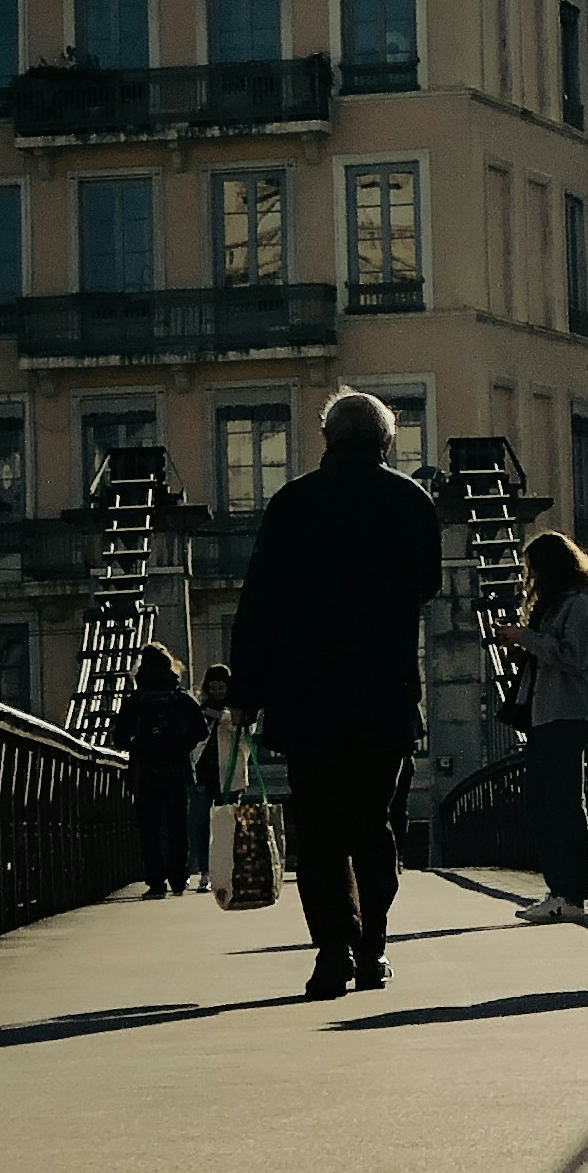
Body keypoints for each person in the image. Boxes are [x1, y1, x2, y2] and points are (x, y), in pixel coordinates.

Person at [226, 386, 444, 1000]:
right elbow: (427, 584)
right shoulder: (410, 500)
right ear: (386, 441)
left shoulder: (292, 502)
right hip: (384, 693)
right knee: (374, 824)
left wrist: (245, 691)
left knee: (319, 829)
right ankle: (372, 947)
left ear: (325, 440)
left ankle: (331, 954)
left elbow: (258, 603)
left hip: (308, 698)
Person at [509, 532, 588, 923]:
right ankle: (558, 890)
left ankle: (571, 894)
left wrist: (527, 638)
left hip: (567, 714)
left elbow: (575, 656)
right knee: (542, 803)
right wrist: (525, 647)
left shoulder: (580, 605)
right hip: (545, 714)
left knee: (564, 804)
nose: (531, 577)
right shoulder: (558, 606)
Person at [117, 645, 208, 899]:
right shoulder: (181, 697)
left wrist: (139, 743)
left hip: (145, 772)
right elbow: (201, 731)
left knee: (150, 828)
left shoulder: (136, 700)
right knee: (178, 825)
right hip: (177, 771)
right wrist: (182, 744)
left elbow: (120, 739)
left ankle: (156, 882)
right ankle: (179, 878)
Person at [188, 661, 233, 895]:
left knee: (228, 826)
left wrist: (217, 715)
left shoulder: (237, 710)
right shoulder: (198, 709)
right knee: (200, 825)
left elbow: (245, 728)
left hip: (230, 774)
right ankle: (205, 872)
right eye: (213, 688)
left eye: (221, 688)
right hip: (204, 774)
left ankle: (227, 871)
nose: (217, 692)